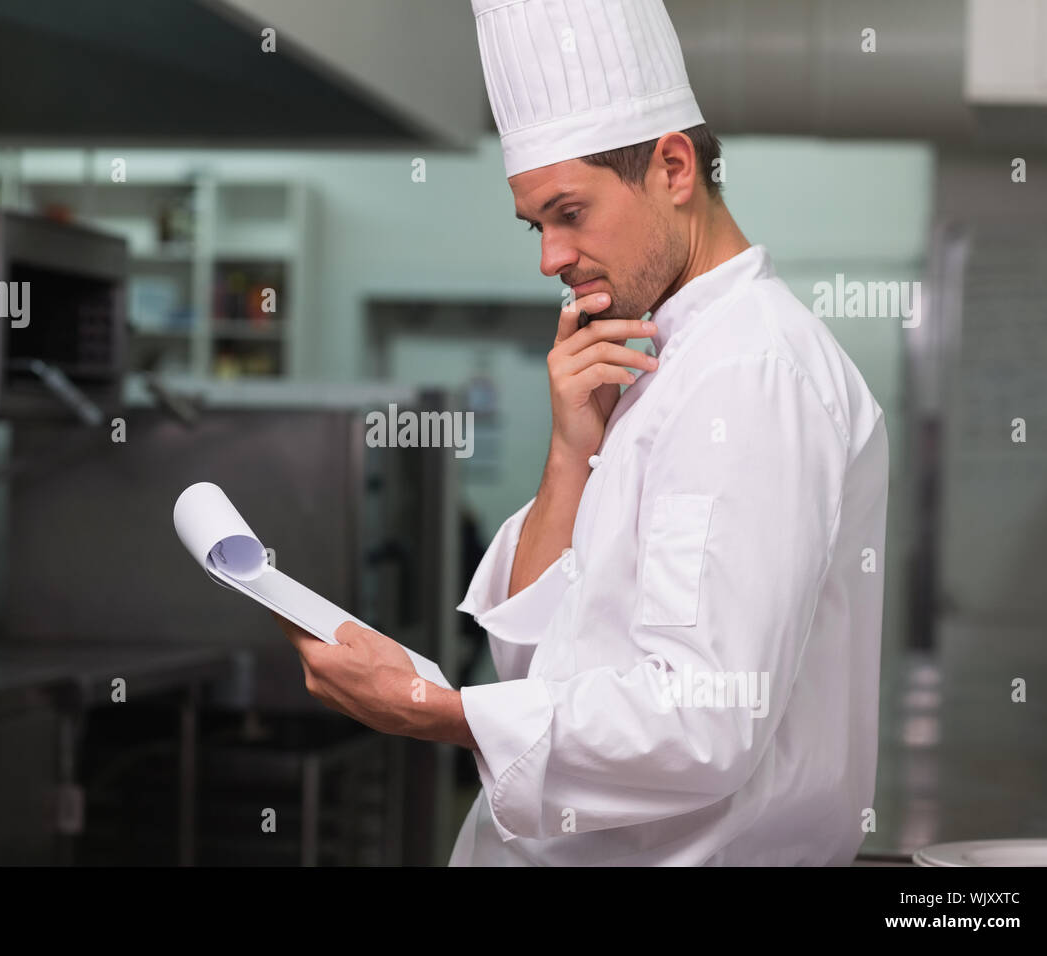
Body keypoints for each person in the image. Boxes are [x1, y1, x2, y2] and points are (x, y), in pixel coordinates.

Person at [274, 0, 888, 865]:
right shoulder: (655, 351)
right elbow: (535, 655)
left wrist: (437, 712)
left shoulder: (752, 373)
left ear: (674, 167)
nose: (549, 259)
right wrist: (570, 453)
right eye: (537, 224)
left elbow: (705, 718)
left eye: (569, 213)